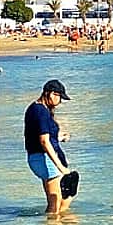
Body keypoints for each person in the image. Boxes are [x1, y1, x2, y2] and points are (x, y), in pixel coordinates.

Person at [25, 79, 75, 215]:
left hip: (39, 157)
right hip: (44, 158)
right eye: (60, 97)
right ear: (51, 94)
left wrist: (59, 138)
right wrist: (61, 167)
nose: (60, 102)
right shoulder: (41, 111)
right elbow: (44, 141)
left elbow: (37, 137)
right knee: (55, 202)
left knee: (62, 199)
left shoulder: (36, 109)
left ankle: (57, 224)